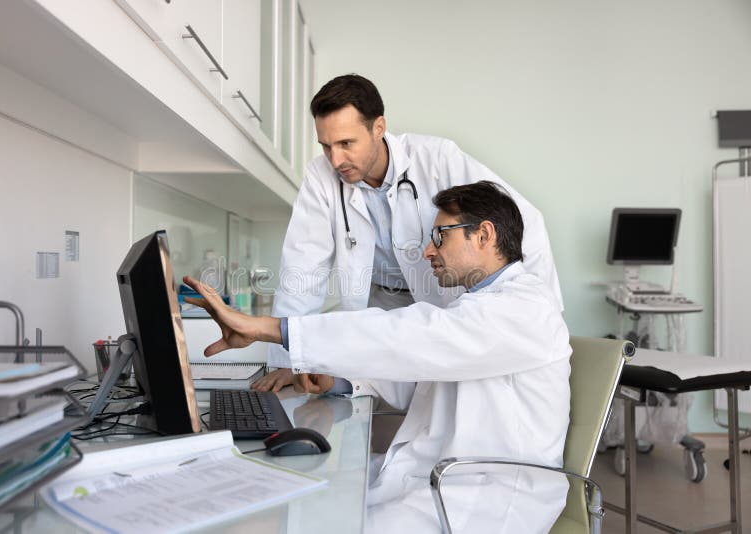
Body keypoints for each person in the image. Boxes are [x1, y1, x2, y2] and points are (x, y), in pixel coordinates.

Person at [184, 181, 571, 533]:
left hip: (490, 494)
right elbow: (422, 379)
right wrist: (338, 380)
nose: (428, 251)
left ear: (483, 235)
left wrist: (272, 328)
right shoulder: (478, 306)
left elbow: (409, 337)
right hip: (439, 473)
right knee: (304, 495)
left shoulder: (525, 309)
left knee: (324, 520)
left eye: (440, 236)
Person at [252, 74, 562, 397]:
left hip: (443, 297)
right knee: (378, 387)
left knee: (439, 382)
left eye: (346, 144)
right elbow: (303, 266)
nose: (336, 160)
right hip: (382, 302)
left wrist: (540, 317)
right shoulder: (321, 176)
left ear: (378, 128)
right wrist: (289, 359)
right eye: (326, 146)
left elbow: (525, 220)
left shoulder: (437, 159)